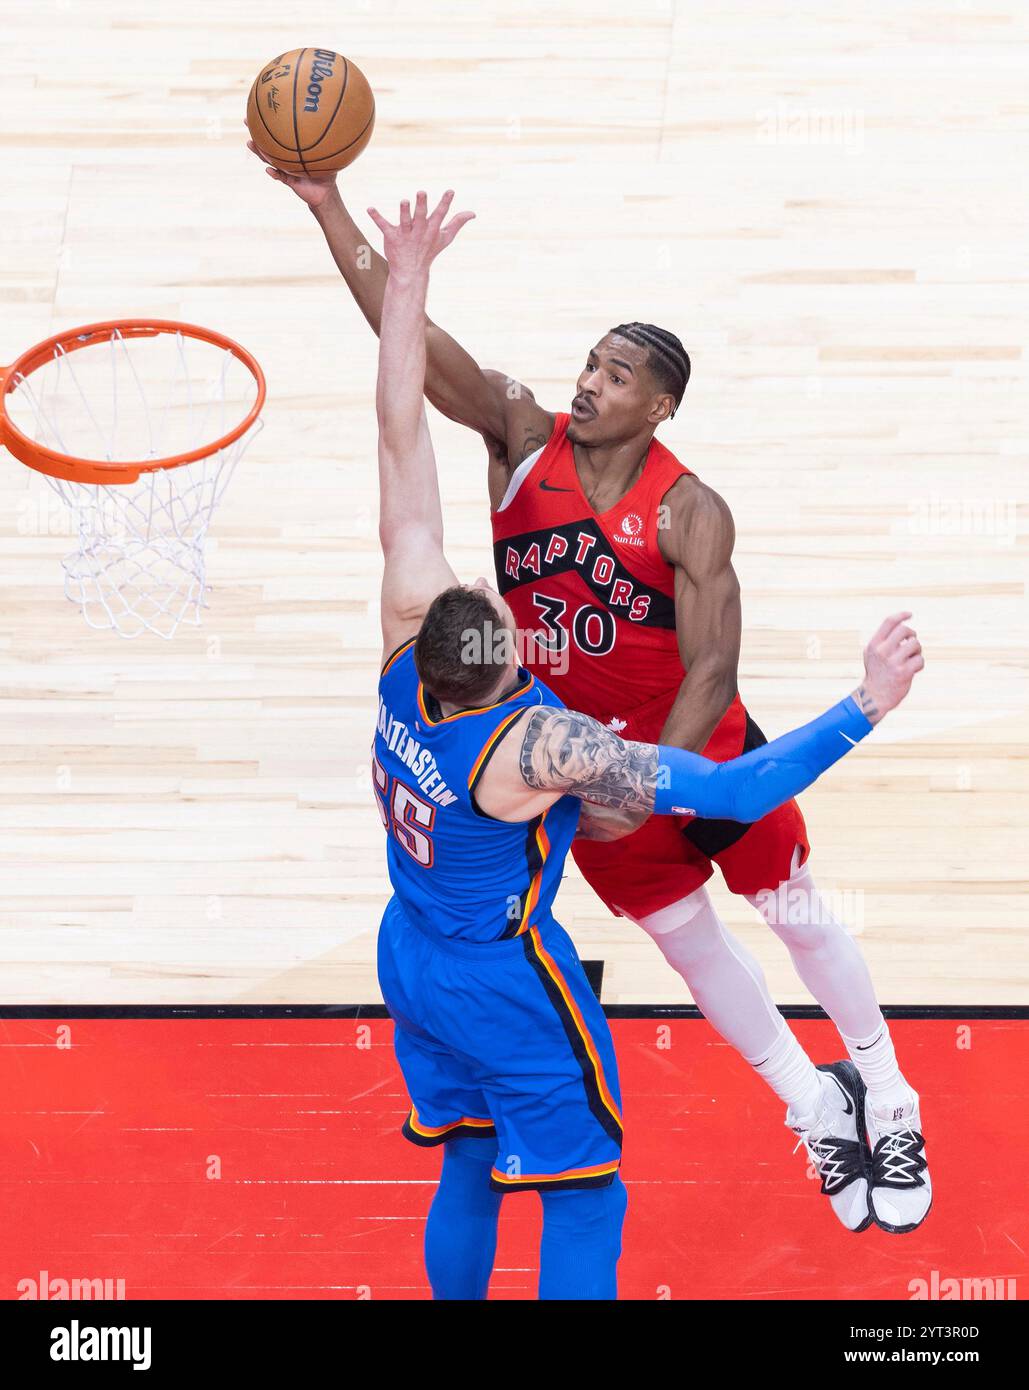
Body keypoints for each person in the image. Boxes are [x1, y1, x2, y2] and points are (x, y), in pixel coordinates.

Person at [246, 145, 932, 1236]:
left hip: (691, 749)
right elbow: (405, 337)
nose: (589, 381)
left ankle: (888, 1090)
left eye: (616, 374)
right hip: (557, 764)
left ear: (659, 404)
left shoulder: (690, 507)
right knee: (694, 947)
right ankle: (813, 1108)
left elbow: (714, 664)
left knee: (797, 913)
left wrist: (651, 779)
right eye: (591, 363)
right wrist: (329, 212)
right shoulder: (521, 435)